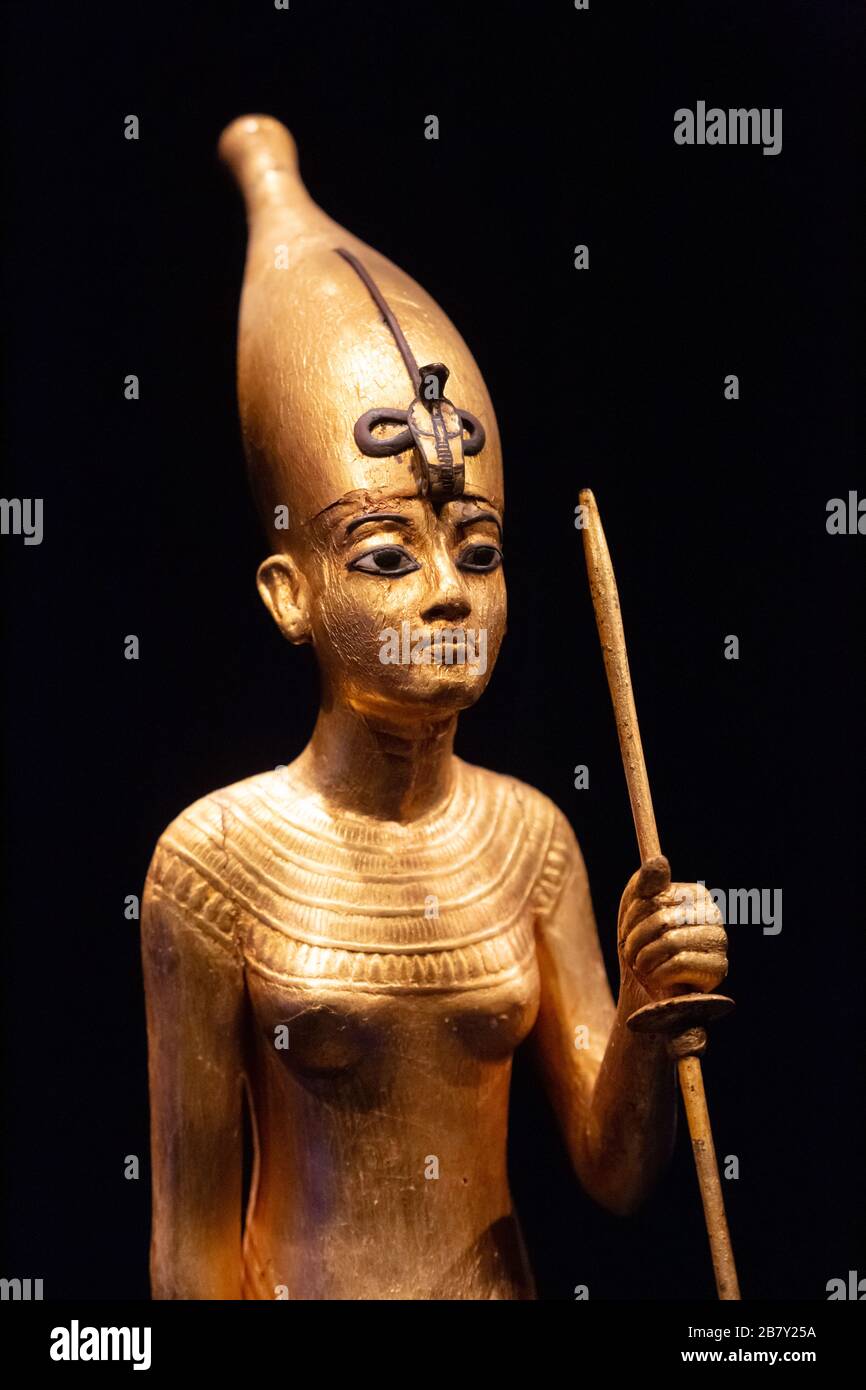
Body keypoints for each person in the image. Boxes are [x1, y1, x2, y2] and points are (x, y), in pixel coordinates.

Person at [141, 115, 728, 1300]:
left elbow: (611, 1174)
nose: (448, 591)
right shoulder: (211, 864)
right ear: (287, 592)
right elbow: (187, 1244)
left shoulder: (530, 842)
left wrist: (652, 1018)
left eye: (478, 547)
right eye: (384, 556)